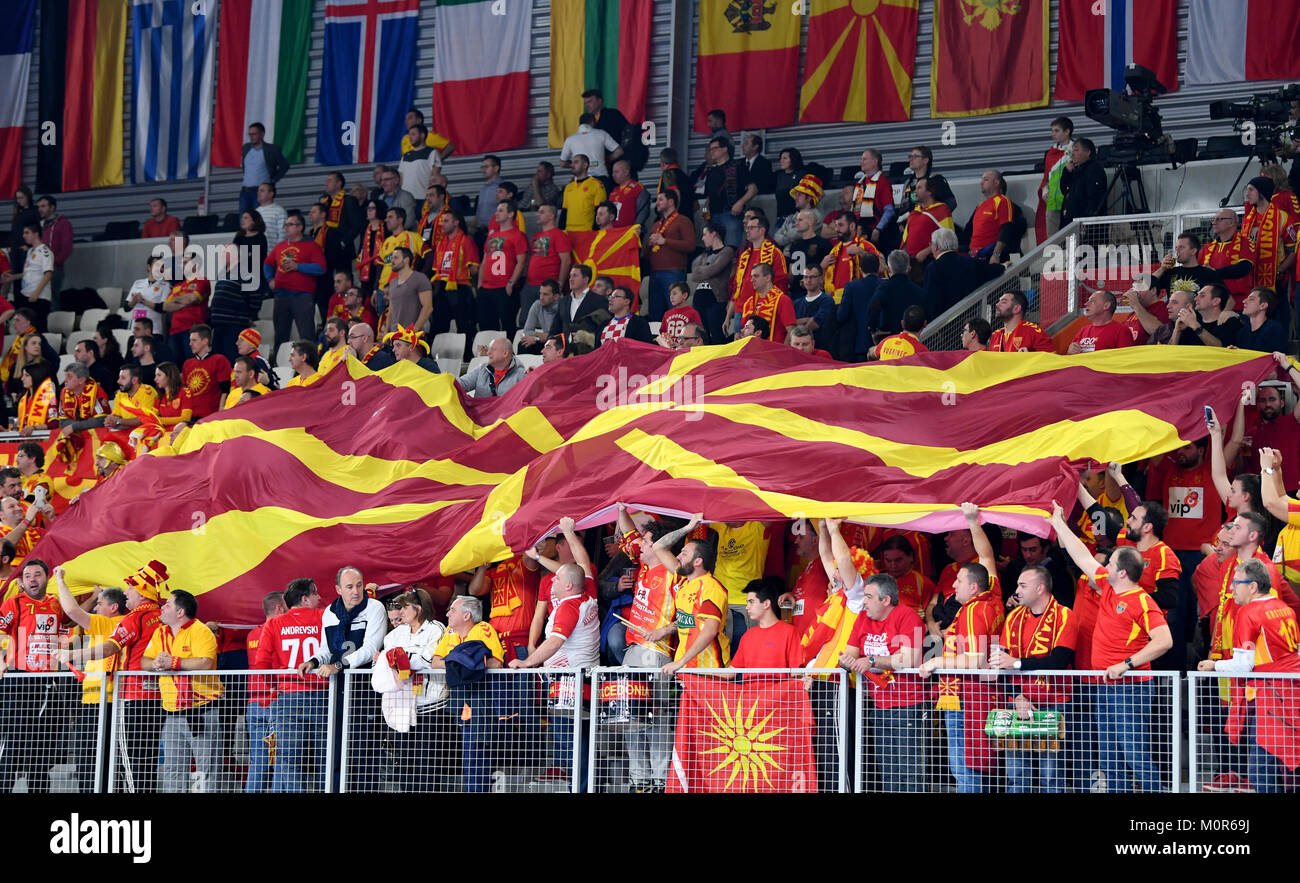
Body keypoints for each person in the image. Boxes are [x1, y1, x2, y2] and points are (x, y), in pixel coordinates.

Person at [1051, 502, 1172, 792]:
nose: (1103, 566)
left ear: (1122, 572)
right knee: (1109, 757)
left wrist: (1126, 664)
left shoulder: (1142, 601)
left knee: (1135, 755)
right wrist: (1058, 523)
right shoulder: (1108, 586)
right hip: (1106, 684)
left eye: (1110, 563)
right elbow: (1081, 556)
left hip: (1130, 686)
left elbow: (1165, 640)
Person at [918, 502, 1004, 793]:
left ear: (974, 587)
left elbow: (975, 660)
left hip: (966, 695)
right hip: (970, 694)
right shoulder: (991, 598)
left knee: (964, 765)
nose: (953, 585)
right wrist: (972, 521)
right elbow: (988, 557)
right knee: (970, 762)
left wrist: (935, 663)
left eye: (958, 580)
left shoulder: (974, 610)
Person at [1196, 557, 1300, 793]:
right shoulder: (1285, 609)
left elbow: (1244, 665)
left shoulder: (1250, 612)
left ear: (1253, 586)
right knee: (1285, 758)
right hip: (1292, 692)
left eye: (1236, 582)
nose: (1231, 588)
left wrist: (1215, 665)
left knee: (1260, 765)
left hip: (1270, 697)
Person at [837, 555, 926, 792]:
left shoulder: (909, 617)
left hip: (907, 703)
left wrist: (873, 660)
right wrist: (845, 661)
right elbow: (850, 653)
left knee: (908, 770)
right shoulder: (863, 619)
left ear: (886, 600)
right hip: (878, 704)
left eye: (868, 597)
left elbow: (910, 658)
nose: (863, 602)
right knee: (886, 768)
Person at [991, 563, 1078, 792]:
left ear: (1040, 588)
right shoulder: (1013, 617)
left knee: (1050, 777)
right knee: (1016, 775)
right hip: (1018, 704)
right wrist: (1018, 696)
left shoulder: (1064, 615)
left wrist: (1018, 663)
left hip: (1055, 703)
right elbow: (1001, 664)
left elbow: (1059, 661)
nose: (1016, 591)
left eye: (1022, 585)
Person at [142, 589, 224, 792]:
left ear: (180, 612)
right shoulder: (159, 632)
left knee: (207, 770)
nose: (162, 607)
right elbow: (144, 661)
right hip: (171, 712)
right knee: (173, 769)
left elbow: (206, 663)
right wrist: (156, 664)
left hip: (202, 711)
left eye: (167, 604)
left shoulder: (201, 631)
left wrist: (173, 662)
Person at [0, 558, 69, 793]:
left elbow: (69, 626)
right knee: (15, 744)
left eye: (37, 575)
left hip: (48, 683)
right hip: (20, 681)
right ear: (22, 581)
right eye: (27, 576)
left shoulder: (56, 604)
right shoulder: (14, 603)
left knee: (42, 747)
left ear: (47, 578)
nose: (32, 580)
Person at [255, 577, 328, 793]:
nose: (320, 598)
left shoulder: (274, 623)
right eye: (315, 594)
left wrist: (276, 686)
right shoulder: (324, 617)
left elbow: (261, 665)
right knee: (325, 757)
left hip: (287, 698)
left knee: (288, 760)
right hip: (321, 696)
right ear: (305, 599)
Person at [378, 587, 451, 792]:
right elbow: (385, 658)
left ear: (418, 608)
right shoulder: (398, 632)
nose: (400, 612)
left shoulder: (436, 628)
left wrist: (402, 659)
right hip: (402, 706)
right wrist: (398, 659)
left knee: (427, 765)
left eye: (405, 607)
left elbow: (429, 660)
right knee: (404, 764)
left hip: (430, 705)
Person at [429, 595, 504, 792]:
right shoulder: (449, 631)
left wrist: (459, 664)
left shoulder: (483, 629)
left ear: (467, 615)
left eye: (452, 610)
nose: (447, 613)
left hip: (481, 698)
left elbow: (496, 662)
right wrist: (466, 663)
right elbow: (435, 662)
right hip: (460, 698)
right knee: (467, 751)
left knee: (478, 750)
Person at [242, 590, 287, 793]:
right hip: (275, 700)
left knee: (258, 762)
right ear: (279, 608)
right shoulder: (280, 632)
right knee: (281, 761)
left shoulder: (252, 634)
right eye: (287, 607)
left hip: (254, 703)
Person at [264, 211, 326, 352]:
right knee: (280, 334)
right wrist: (270, 279)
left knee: (306, 333)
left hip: (302, 296)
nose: (286, 227)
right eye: (286, 225)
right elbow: (267, 264)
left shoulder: (312, 246)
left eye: (290, 224)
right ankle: (279, 366)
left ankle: (311, 362)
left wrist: (298, 266)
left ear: (300, 227)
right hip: (281, 295)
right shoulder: (279, 246)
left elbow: (321, 268)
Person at [476, 200, 528, 335]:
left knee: (508, 326)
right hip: (486, 288)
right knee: (486, 328)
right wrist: (480, 284)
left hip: (504, 288)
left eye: (500, 210)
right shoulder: (492, 236)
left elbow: (521, 262)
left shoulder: (518, 235)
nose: (496, 213)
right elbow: (484, 261)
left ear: (511, 214)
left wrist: (511, 283)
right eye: (497, 210)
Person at [1241, 176, 1297, 297]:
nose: (1247, 194)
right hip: (1252, 280)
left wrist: (1279, 271)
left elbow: (1293, 251)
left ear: (1261, 192)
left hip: (1277, 281)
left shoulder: (1283, 218)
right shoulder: (1248, 220)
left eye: (1251, 190)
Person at [728, 576, 802, 668]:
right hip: (749, 682)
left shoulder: (790, 632)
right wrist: (706, 673)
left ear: (766, 604)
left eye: (751, 602)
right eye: (747, 602)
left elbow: (797, 674)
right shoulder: (747, 636)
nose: (747, 607)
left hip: (781, 683)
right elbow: (732, 671)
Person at [693, 136, 752, 248]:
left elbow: (753, 189)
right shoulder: (711, 171)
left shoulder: (738, 166)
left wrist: (740, 203)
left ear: (725, 149)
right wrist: (705, 214)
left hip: (731, 214)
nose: (712, 152)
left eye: (715, 148)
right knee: (713, 252)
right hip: (713, 218)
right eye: (710, 149)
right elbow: (708, 198)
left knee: (731, 250)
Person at [520, 204, 571, 327]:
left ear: (551, 215)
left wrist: (560, 282)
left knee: (549, 324)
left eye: (542, 212)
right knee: (525, 322)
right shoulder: (536, 236)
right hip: (530, 284)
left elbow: (566, 260)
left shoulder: (559, 235)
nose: (538, 214)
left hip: (548, 285)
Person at [1198, 209, 1255, 309]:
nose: (1214, 222)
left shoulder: (1245, 242)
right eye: (1214, 219)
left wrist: (1214, 272)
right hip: (1212, 307)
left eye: (1219, 219)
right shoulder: (1207, 248)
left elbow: (1244, 268)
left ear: (1232, 222)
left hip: (1239, 306)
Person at [736, 262, 795, 344]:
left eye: (756, 276)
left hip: (774, 352)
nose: (751, 280)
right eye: (751, 276)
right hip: (753, 353)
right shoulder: (749, 302)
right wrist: (739, 335)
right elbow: (745, 329)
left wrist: (783, 353)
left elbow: (791, 331)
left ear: (767, 278)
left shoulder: (783, 300)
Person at [182, 324, 232, 419]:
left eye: (194, 340)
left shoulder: (219, 360)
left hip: (211, 415)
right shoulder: (187, 364)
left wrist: (221, 411)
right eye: (190, 340)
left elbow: (225, 390)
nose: (190, 344)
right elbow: (185, 392)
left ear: (205, 341)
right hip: (189, 415)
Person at [900, 176, 955, 262]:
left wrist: (925, 252)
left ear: (929, 192)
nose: (915, 191)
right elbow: (905, 240)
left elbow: (948, 239)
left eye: (919, 188)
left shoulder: (942, 210)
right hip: (912, 263)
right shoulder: (914, 213)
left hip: (931, 261)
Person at [239, 122, 290, 214]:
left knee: (260, 219)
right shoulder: (246, 148)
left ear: (262, 134)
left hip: (261, 191)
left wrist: (273, 180)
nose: (251, 137)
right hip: (245, 191)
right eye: (250, 134)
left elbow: (284, 165)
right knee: (244, 219)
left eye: (254, 134)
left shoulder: (271, 149)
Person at [1037, 116, 1074, 241]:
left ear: (1067, 131)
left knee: (1071, 240)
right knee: (1053, 242)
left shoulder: (1076, 150)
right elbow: (1047, 177)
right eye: (1052, 131)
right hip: (1053, 202)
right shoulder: (1050, 153)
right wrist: (1045, 191)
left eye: (1056, 131)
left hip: (1070, 201)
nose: (1053, 134)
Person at [1059, 138, 1107, 224]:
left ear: (1088, 152)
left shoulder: (1094, 170)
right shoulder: (1075, 171)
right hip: (1071, 224)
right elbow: (1064, 190)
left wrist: (1086, 221)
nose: (1072, 154)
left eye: (1076, 150)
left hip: (1085, 226)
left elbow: (1094, 199)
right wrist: (1067, 172)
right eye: (1072, 150)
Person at [457, 337, 526, 397]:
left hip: (506, 412)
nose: (488, 353)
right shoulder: (482, 369)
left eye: (493, 349)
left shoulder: (521, 375)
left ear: (505, 353)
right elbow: (461, 384)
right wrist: (448, 380)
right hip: (480, 411)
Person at [988, 290, 1052, 352]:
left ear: (1016, 309)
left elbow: (1051, 359)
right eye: (999, 301)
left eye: (1003, 302)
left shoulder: (1033, 331)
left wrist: (1029, 357)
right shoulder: (995, 335)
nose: (997, 304)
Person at [561, 154, 607, 233]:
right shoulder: (568, 187)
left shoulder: (596, 184)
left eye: (576, 162)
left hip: (587, 232)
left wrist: (595, 231)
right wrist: (561, 231)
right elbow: (564, 211)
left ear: (585, 165)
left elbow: (600, 211)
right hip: (568, 233)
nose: (572, 165)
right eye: (572, 163)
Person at [1236, 286, 1288, 353]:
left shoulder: (1274, 330)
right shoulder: (1242, 333)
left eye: (1251, 299)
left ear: (1263, 306)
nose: (1244, 301)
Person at [377, 167, 417, 232]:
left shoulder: (406, 197)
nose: (383, 183)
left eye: (386, 180)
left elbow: (409, 222)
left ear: (396, 180)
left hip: (403, 237)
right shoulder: (380, 198)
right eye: (382, 180)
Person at [256, 182, 287, 249]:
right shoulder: (255, 212)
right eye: (258, 191)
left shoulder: (279, 211)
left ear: (271, 194)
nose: (258, 193)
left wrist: (276, 253)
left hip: (271, 254)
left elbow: (283, 235)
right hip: (256, 255)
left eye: (262, 191)